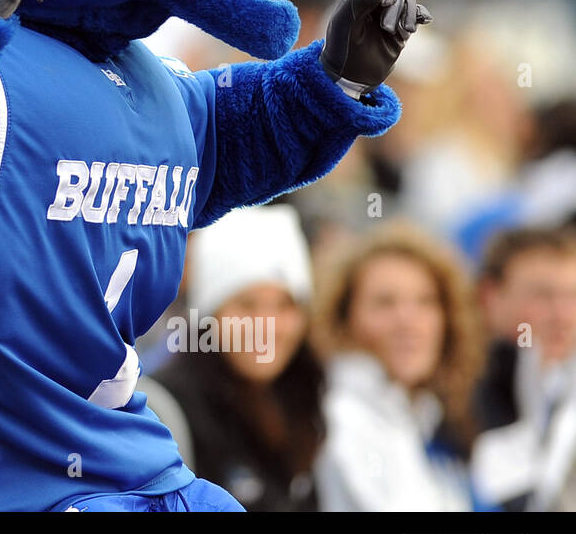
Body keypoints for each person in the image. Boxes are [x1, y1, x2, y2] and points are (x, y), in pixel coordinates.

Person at [152, 205, 325, 511]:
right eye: (247, 306)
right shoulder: (164, 409)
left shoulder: (308, 397)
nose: (267, 326)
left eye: (285, 306)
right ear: (210, 317)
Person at [312, 225, 484, 511]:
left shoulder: (426, 417)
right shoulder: (342, 419)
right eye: (384, 303)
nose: (408, 321)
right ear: (343, 318)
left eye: (425, 301)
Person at [472, 225, 576, 510]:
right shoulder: (456, 398)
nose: (563, 316)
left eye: (572, 296)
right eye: (543, 295)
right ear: (490, 296)